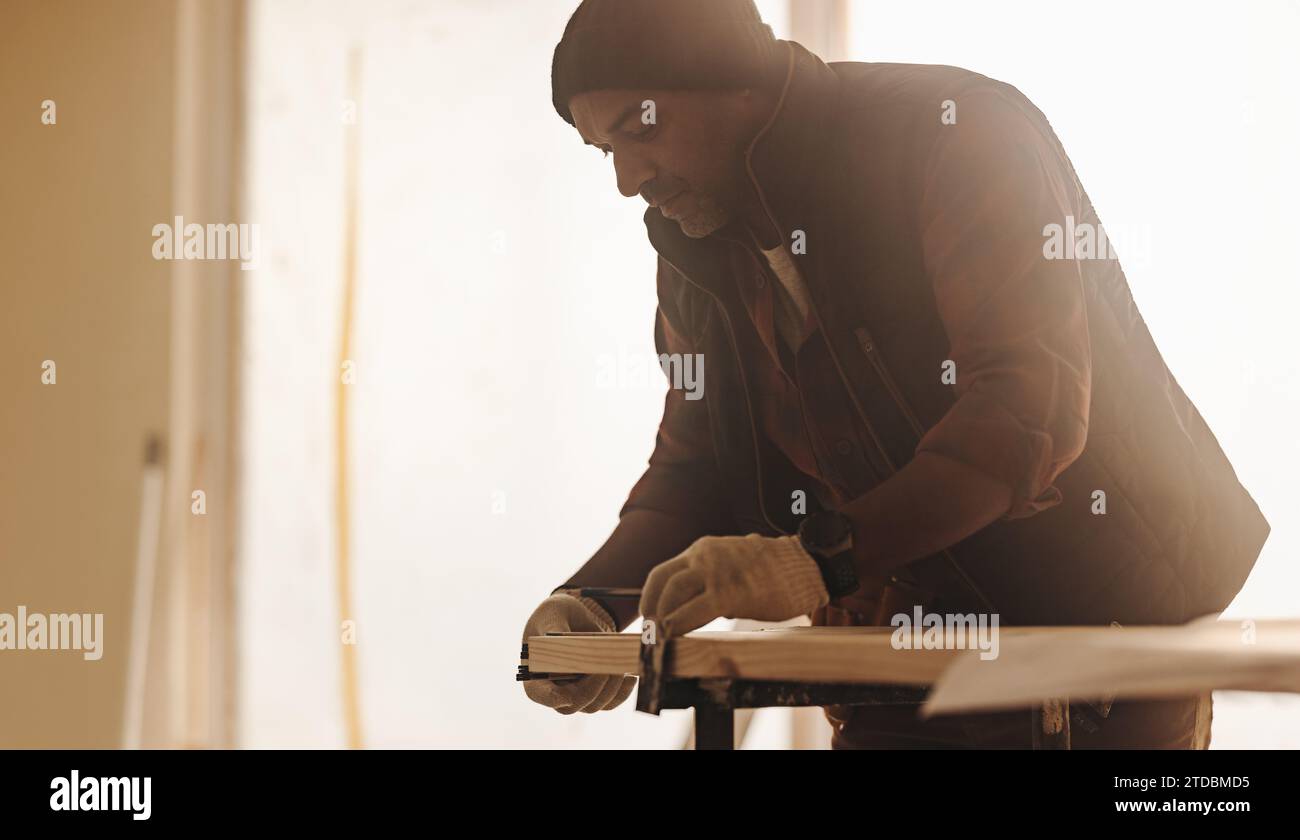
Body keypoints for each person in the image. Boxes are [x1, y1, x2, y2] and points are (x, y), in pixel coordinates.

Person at [521, 0, 1268, 748]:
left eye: (641, 129)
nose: (627, 180)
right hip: (892, 643)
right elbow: (703, 468)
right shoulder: (696, 235)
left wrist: (816, 561)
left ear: (736, 82)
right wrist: (592, 602)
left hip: (1096, 637)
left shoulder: (959, 131)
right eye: (602, 151)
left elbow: (1021, 413)